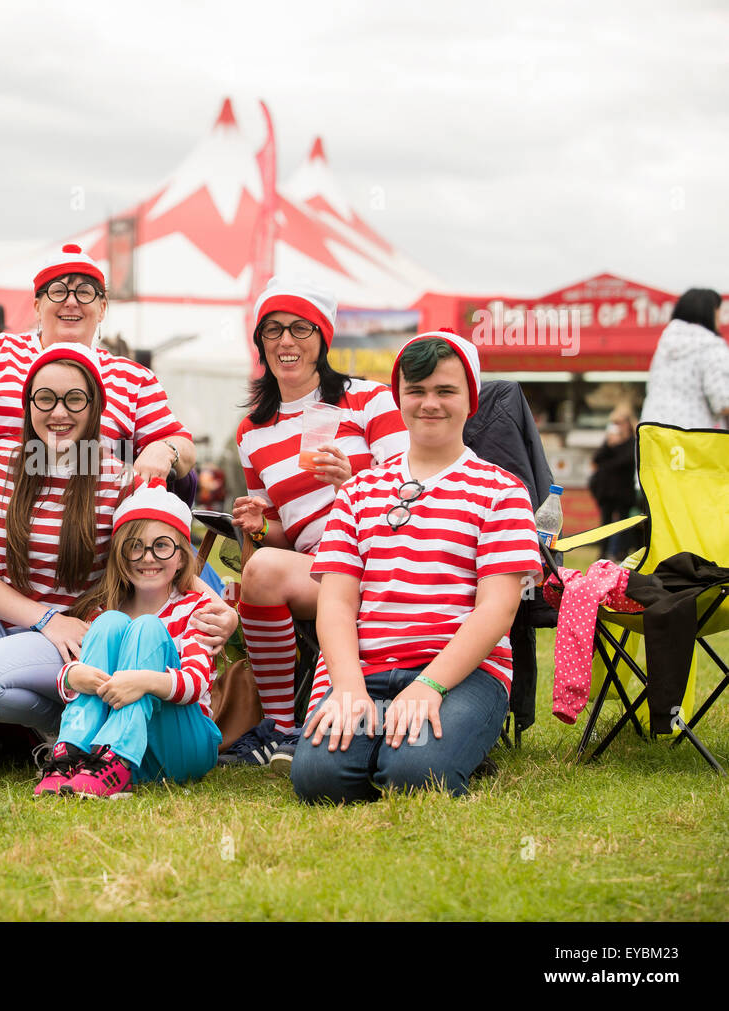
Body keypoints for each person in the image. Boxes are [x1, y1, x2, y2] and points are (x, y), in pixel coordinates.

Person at [0, 343, 234, 792]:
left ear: (94, 408)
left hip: (80, 642)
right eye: (45, 399)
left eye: (74, 399)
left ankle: (72, 732)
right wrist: (46, 620)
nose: (59, 412)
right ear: (28, 404)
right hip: (10, 627)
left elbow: (167, 555)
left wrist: (224, 612)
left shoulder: (116, 479)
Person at [289, 331, 540, 802]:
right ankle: (396, 735)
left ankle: (431, 740)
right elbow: (337, 602)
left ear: (472, 399)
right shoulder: (360, 490)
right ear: (398, 397)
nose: (430, 404)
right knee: (319, 782)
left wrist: (428, 686)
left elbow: (497, 611)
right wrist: (346, 686)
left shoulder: (502, 492)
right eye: (416, 391)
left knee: (413, 777)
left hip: (460, 675)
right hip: (362, 670)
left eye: (446, 391)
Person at [0, 244, 195, 605]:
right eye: (58, 290)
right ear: (37, 305)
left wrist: (165, 449)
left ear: (102, 308)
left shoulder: (132, 377)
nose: (71, 301)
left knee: (151, 556)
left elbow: (181, 445)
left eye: (84, 291)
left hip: (87, 513)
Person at [226, 278, 408, 765]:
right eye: (273, 330)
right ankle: (282, 729)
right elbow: (289, 532)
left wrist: (353, 480)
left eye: (301, 329)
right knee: (261, 566)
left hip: (383, 561)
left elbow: (417, 494)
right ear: (260, 342)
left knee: (270, 569)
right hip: (316, 567)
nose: (286, 342)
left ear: (322, 338)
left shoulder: (369, 401)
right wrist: (260, 526)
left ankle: (302, 722)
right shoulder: (253, 431)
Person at [35, 481, 222, 798]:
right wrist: (71, 676)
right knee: (109, 623)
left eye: (161, 545)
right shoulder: (102, 613)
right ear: (120, 555)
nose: (148, 557)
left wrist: (145, 681)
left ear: (181, 556)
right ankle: (72, 754)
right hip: (125, 758)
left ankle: (118, 756)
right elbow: (77, 678)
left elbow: (196, 684)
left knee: (147, 627)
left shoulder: (196, 608)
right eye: (135, 546)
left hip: (184, 745)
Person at [639, 288, 729, 429]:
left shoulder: (665, 343)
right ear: (709, 313)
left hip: (653, 431)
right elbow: (723, 401)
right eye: (718, 312)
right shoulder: (711, 346)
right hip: (692, 435)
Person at [588, 406, 638, 561]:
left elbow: (625, 461)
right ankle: (603, 553)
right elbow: (596, 459)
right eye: (614, 422)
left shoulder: (632, 441)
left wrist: (612, 452)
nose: (617, 426)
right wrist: (609, 445)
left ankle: (622, 553)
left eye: (620, 422)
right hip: (607, 490)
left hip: (623, 490)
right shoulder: (609, 441)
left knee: (624, 523)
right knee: (605, 523)